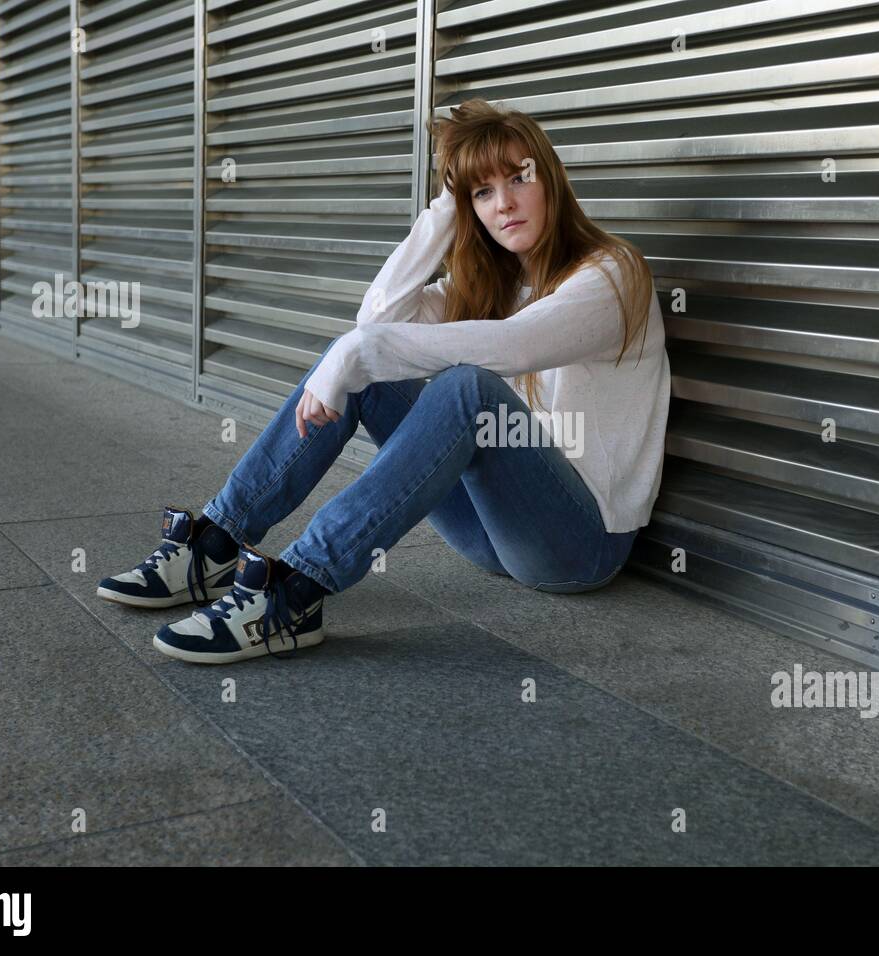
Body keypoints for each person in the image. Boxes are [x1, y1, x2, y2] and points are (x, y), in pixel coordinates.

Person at [96, 98, 671, 664]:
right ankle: (217, 543)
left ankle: (297, 591)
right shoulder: (485, 289)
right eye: (482, 192)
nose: (505, 204)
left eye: (520, 178)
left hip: (579, 543)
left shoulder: (613, 274)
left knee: (461, 387)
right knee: (361, 372)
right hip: (493, 533)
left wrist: (358, 352)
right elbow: (376, 319)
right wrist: (445, 210)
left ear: (552, 178)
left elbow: (513, 344)